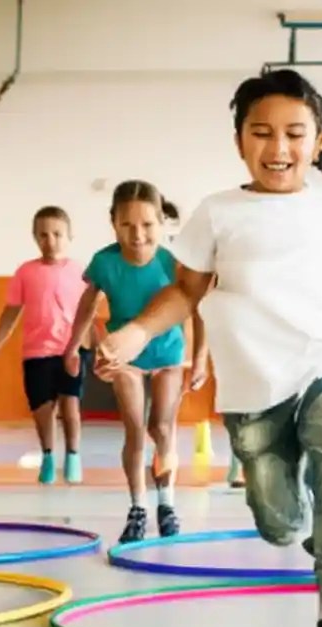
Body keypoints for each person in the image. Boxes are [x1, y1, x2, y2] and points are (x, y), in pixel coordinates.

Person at [94, 68, 322, 627]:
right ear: (239, 141)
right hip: (252, 388)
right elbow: (184, 292)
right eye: (263, 133)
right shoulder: (217, 213)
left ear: (320, 139)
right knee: (279, 523)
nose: (279, 148)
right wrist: (136, 332)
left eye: (295, 133)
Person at [65, 180, 205, 542]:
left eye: (147, 225)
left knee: (162, 428)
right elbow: (87, 303)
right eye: (127, 225)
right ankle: (138, 507)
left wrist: (200, 357)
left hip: (168, 355)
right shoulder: (104, 262)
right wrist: (71, 347)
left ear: (162, 223)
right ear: (114, 223)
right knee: (134, 428)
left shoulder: (174, 262)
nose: (138, 235)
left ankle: (167, 503)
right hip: (125, 358)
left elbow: (198, 307)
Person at [0, 206, 90, 485]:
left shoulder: (80, 271)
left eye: (57, 234)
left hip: (70, 349)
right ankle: (49, 456)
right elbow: (11, 311)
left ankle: (74, 456)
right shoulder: (25, 272)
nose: (51, 241)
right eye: (43, 235)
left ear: (69, 236)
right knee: (42, 408)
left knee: (70, 404)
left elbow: (89, 311)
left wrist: (94, 345)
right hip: (37, 351)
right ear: (35, 237)